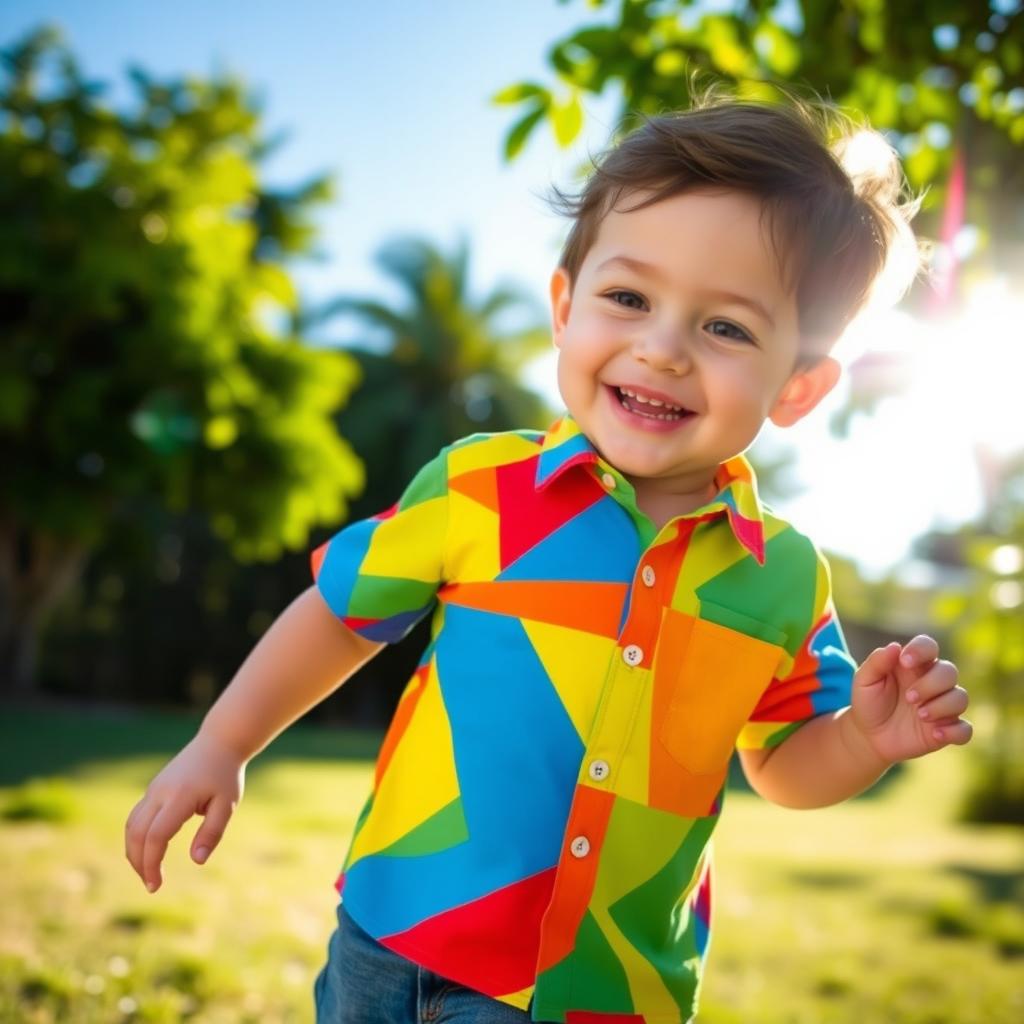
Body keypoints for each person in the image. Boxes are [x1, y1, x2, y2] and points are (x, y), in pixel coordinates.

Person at [124, 89, 972, 1024]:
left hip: (602, 989)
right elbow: (342, 614)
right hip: (393, 939)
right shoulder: (479, 486)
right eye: (628, 298)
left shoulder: (782, 575)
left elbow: (783, 763)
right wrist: (223, 743)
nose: (662, 349)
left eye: (726, 327)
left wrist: (861, 741)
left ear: (799, 386)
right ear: (565, 307)